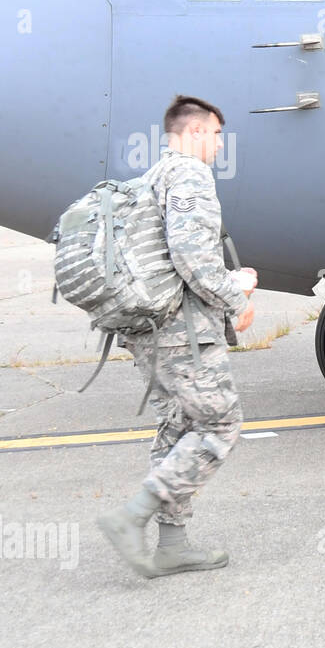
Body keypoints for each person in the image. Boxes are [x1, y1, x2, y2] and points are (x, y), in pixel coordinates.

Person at [96, 96, 257, 578]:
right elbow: (192, 256)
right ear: (196, 133)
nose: (218, 144)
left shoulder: (149, 180)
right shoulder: (189, 175)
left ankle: (173, 544)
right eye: (216, 135)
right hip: (181, 335)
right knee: (220, 425)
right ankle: (133, 517)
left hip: (149, 331)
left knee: (180, 430)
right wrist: (238, 295)